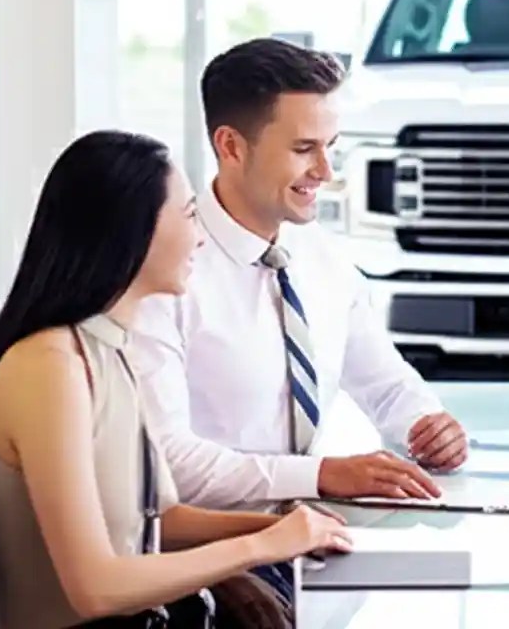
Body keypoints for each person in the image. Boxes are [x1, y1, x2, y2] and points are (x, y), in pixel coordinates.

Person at [0, 131, 351, 627]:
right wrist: (263, 545)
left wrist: (293, 527)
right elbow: (96, 590)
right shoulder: (51, 367)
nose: (201, 236)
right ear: (133, 232)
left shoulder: (112, 348)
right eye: (189, 216)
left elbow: (159, 519)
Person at [132, 37, 468, 508]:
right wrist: (321, 475)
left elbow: (388, 384)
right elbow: (165, 463)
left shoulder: (325, 261)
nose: (326, 171)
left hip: (308, 535)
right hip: (206, 551)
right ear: (231, 146)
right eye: (304, 148)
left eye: (331, 146)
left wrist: (427, 424)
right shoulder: (162, 275)